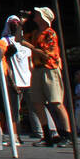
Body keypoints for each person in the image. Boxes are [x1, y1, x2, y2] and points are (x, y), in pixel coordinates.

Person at [27, 8, 72, 146]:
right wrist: (21, 25)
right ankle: (47, 135)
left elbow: (47, 53)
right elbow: (19, 39)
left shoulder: (50, 33)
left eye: (38, 14)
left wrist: (32, 48)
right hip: (38, 69)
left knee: (56, 102)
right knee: (37, 102)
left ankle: (67, 134)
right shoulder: (34, 33)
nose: (35, 16)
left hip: (50, 68)